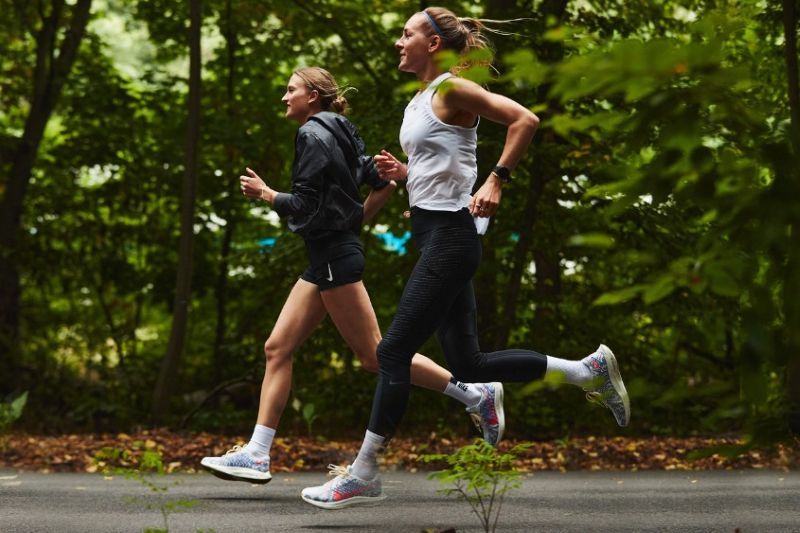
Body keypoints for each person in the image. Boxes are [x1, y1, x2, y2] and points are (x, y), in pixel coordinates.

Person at [300, 8, 630, 509]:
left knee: (390, 353)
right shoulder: (422, 99)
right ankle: (589, 370)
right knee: (470, 364)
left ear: (433, 44)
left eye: (406, 34)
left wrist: (497, 178)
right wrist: (406, 172)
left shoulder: (454, 89)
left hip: (451, 239)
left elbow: (525, 119)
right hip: (438, 234)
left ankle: (363, 472)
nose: (398, 42)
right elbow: (445, 165)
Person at [200, 67, 504, 485]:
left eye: (291, 90)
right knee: (277, 347)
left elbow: (307, 206)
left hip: (333, 259)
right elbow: (380, 180)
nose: (284, 98)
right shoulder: (342, 129)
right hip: (326, 256)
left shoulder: (312, 135)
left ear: (313, 96)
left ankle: (474, 393)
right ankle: (257, 452)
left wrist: (268, 195)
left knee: (376, 356)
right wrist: (355, 221)